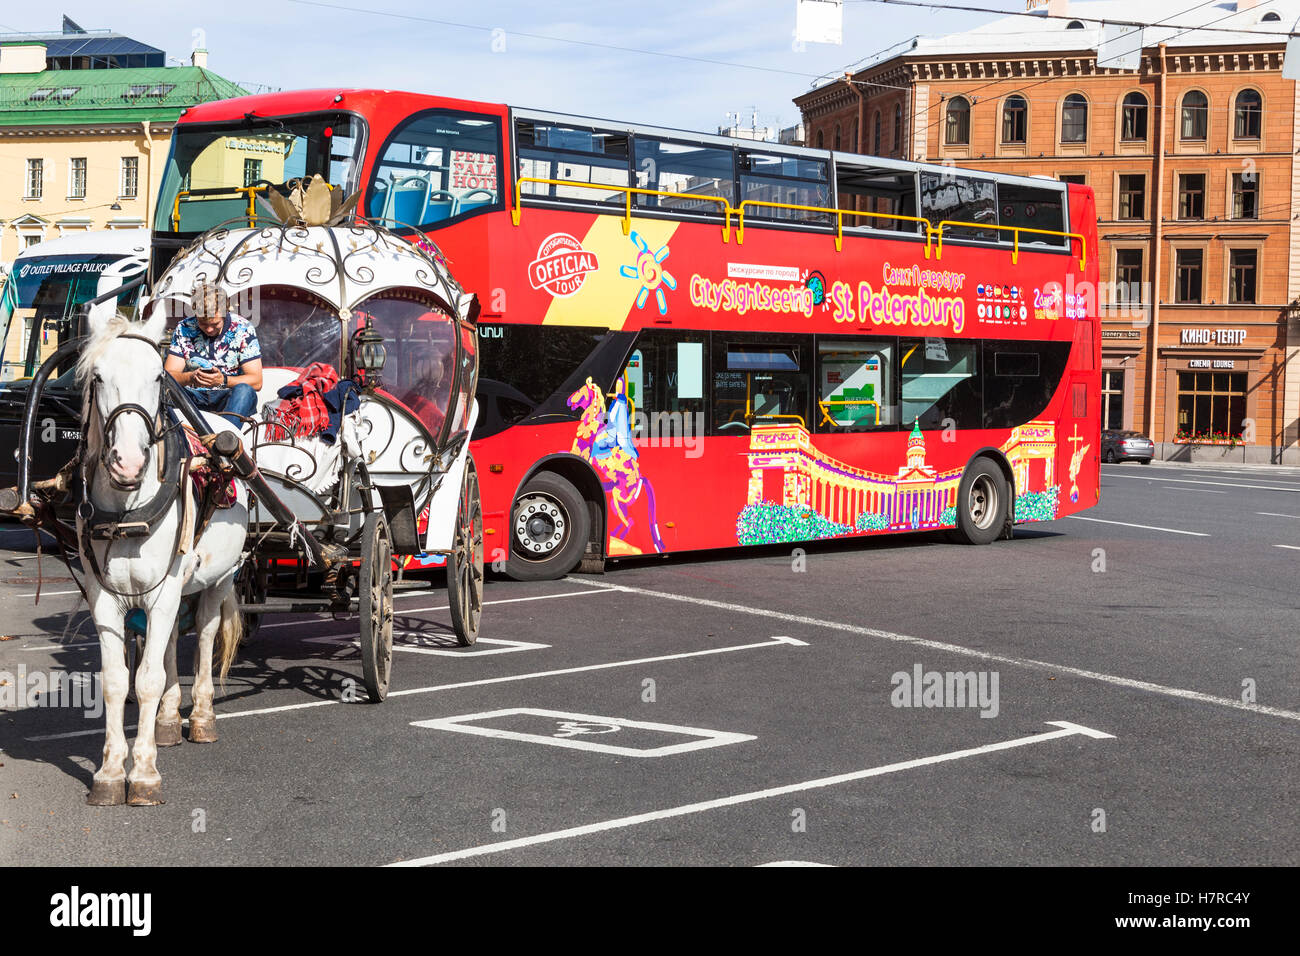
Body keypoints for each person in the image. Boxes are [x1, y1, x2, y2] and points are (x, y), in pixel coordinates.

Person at [164, 283, 263, 426]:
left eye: (215, 324)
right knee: (165, 391)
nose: (209, 329)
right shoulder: (184, 328)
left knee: (245, 391)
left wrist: (222, 380)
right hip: (193, 397)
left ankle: (226, 441)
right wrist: (191, 377)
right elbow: (168, 376)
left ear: (225, 313)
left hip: (229, 397)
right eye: (203, 324)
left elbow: (256, 381)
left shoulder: (243, 328)